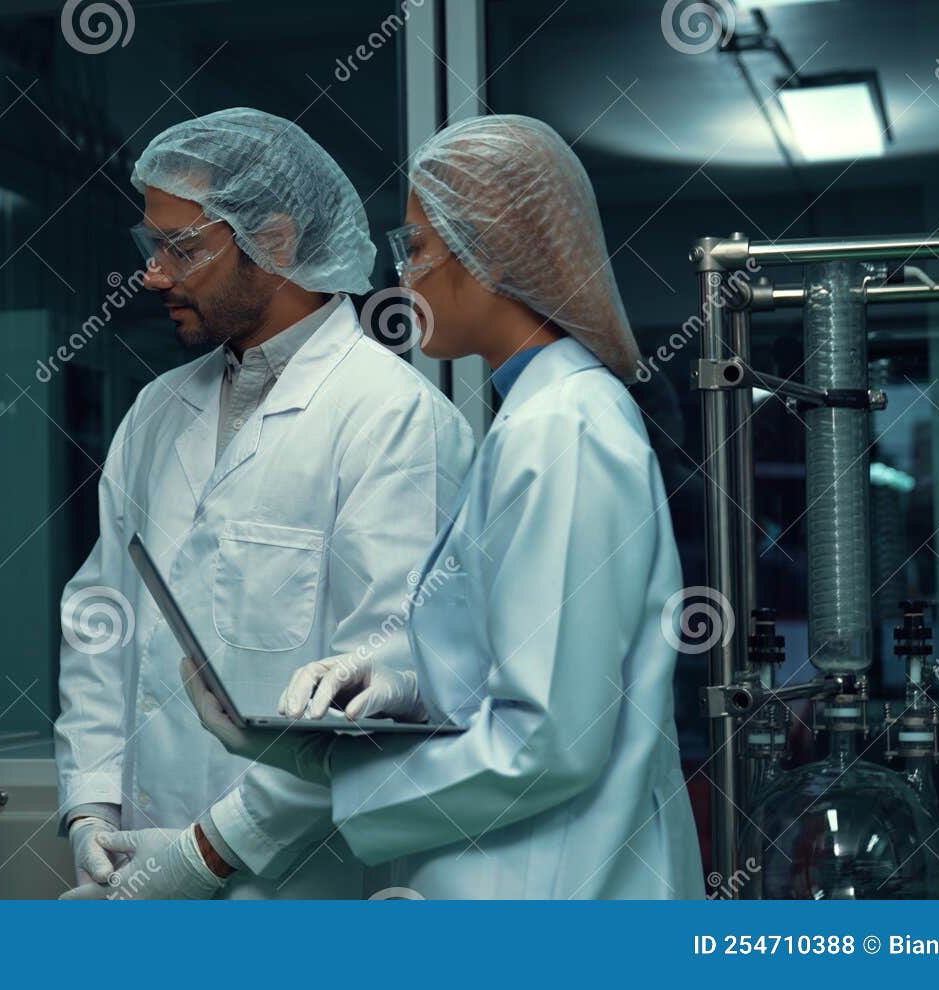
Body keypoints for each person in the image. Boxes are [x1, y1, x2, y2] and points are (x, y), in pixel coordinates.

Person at [173, 114, 703, 899]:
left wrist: (339, 778)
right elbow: (507, 651)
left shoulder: (564, 428)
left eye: (417, 247)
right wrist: (395, 674)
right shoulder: (533, 419)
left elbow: (549, 740)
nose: (404, 278)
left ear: (493, 252)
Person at [54, 107, 474, 900]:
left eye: (182, 249)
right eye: (152, 247)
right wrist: (91, 809)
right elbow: (101, 620)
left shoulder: (392, 419)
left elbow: (381, 700)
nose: (153, 276)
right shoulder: (156, 412)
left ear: (275, 243)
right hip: (135, 870)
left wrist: (204, 857)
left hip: (297, 889)